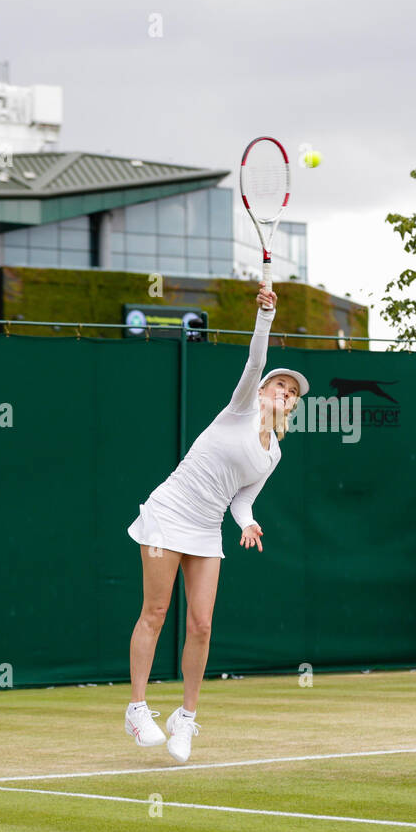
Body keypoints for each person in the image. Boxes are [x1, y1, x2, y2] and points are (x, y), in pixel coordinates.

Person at [124, 285, 308, 763]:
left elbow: (242, 500)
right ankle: (137, 708)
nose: (284, 394)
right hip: (168, 514)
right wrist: (265, 317)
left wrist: (248, 523)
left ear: (291, 407)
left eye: (291, 394)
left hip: (207, 530)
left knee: (202, 625)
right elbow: (253, 361)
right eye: (279, 386)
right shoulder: (241, 407)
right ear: (263, 390)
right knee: (156, 612)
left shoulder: (275, 453)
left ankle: (184, 718)